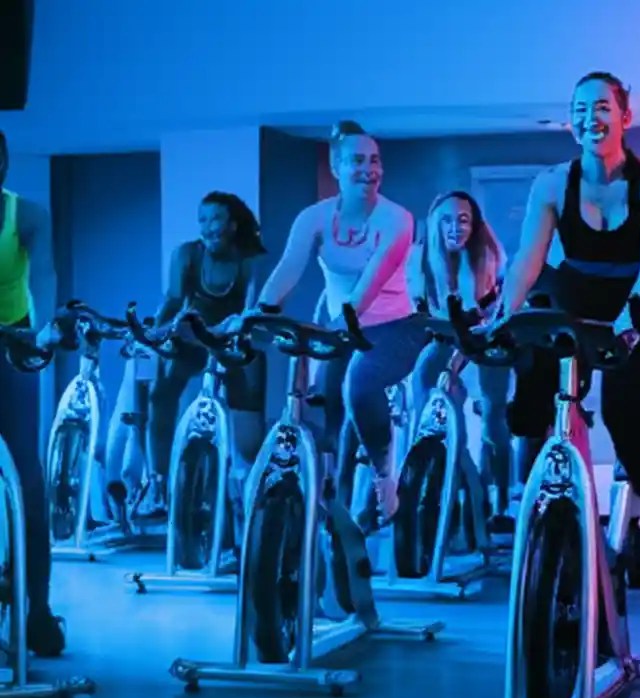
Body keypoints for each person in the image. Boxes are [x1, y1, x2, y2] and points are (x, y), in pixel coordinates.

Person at [497, 71, 640, 565]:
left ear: (625, 116)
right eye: (580, 110)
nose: (589, 118)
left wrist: (628, 324)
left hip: (635, 297)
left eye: (601, 107)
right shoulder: (553, 182)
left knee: (624, 413)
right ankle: (542, 486)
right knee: (537, 377)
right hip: (575, 289)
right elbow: (528, 261)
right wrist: (502, 315)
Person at [245, 120, 421, 525]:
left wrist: (340, 326)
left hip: (392, 327)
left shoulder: (397, 219)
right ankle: (331, 499)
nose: (368, 169)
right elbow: (288, 269)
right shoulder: (315, 218)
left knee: (357, 385)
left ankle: (384, 482)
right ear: (337, 167)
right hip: (341, 327)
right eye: (357, 160)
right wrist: (259, 314)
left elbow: (368, 286)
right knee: (326, 408)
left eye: (375, 161)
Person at [123, 192, 267, 526]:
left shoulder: (249, 260)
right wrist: (153, 335)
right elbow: (173, 300)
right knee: (161, 393)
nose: (208, 227)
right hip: (191, 335)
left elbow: (251, 309)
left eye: (215, 219)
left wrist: (233, 330)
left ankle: (245, 484)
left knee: (244, 414)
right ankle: (157, 483)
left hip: (231, 340)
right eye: (203, 220)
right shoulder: (186, 254)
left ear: (231, 225)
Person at [0, 128, 66, 656]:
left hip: (11, 339)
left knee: (26, 471)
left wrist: (46, 330)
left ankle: (38, 610)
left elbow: (43, 274)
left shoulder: (25, 214)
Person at [408, 190, 511, 514]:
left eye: (463, 220)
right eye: (448, 221)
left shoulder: (489, 254)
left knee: (494, 413)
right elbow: (415, 307)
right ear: (435, 224)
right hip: (443, 335)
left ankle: (500, 499)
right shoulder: (419, 257)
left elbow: (487, 311)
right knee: (427, 383)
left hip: (484, 336)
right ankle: (448, 474)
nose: (455, 228)